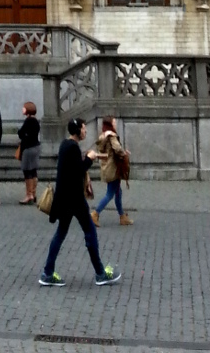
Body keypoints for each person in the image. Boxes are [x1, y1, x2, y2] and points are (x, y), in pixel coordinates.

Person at [38, 118, 119, 288]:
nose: (86, 131)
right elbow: (78, 171)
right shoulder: (73, 147)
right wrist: (89, 159)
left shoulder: (65, 145)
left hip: (65, 198)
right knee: (90, 231)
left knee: (61, 234)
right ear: (78, 131)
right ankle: (100, 273)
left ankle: (47, 272)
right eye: (84, 128)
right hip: (74, 199)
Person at [90, 116, 132, 227]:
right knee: (110, 194)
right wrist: (124, 154)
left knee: (118, 192)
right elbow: (117, 149)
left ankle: (122, 216)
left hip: (106, 167)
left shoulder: (103, 135)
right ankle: (95, 213)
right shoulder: (111, 136)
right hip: (113, 168)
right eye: (114, 122)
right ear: (110, 124)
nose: (116, 124)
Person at [17, 101, 41, 205]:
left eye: (24, 108)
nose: (22, 109)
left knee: (27, 171)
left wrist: (22, 134)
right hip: (35, 147)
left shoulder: (29, 121)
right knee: (33, 171)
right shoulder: (36, 121)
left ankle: (29, 195)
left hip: (28, 148)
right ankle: (34, 193)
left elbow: (21, 133)